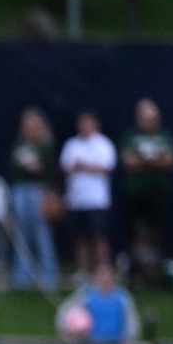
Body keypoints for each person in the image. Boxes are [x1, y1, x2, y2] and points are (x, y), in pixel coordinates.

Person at [119, 99, 173, 285]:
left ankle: (154, 271)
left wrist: (143, 160)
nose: (148, 121)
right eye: (144, 117)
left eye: (151, 118)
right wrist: (154, 161)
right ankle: (136, 271)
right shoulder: (130, 136)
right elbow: (129, 163)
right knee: (136, 233)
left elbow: (170, 161)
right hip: (136, 192)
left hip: (158, 192)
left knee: (155, 232)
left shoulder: (165, 136)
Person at [7, 107, 60, 291]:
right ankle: (22, 277)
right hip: (20, 191)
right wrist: (28, 166)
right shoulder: (19, 144)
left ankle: (49, 277)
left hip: (39, 192)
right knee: (21, 235)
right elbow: (15, 168)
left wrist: (29, 166)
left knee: (41, 233)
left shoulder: (45, 145)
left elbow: (41, 168)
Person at [61, 111, 117, 276]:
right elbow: (65, 167)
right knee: (80, 237)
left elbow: (106, 168)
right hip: (75, 200)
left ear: (95, 125)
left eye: (87, 123)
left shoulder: (103, 144)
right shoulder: (72, 144)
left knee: (98, 235)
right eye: (81, 124)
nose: (83, 127)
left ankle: (102, 270)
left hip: (96, 200)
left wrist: (84, 165)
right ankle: (82, 270)